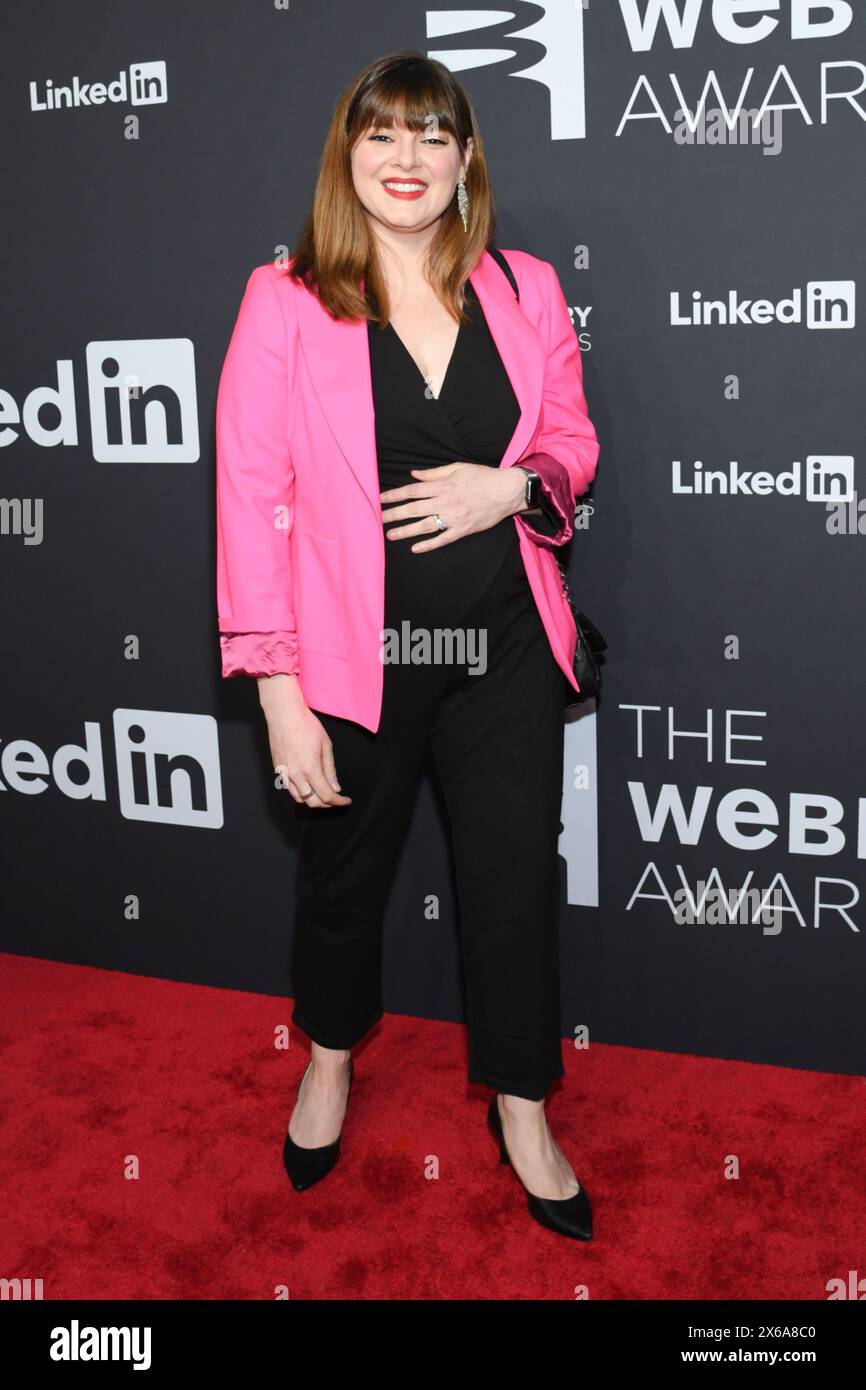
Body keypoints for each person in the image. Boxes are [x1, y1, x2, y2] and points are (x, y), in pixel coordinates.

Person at [215, 50, 600, 1241]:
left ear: (463, 159)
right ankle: (329, 1058)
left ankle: (523, 1104)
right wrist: (277, 689)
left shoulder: (525, 287)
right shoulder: (285, 296)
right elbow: (249, 491)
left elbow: (574, 443)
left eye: (432, 136)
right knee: (342, 878)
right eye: (382, 135)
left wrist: (511, 489)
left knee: (511, 884)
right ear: (349, 155)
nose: (406, 159)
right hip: (349, 656)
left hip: (503, 645)